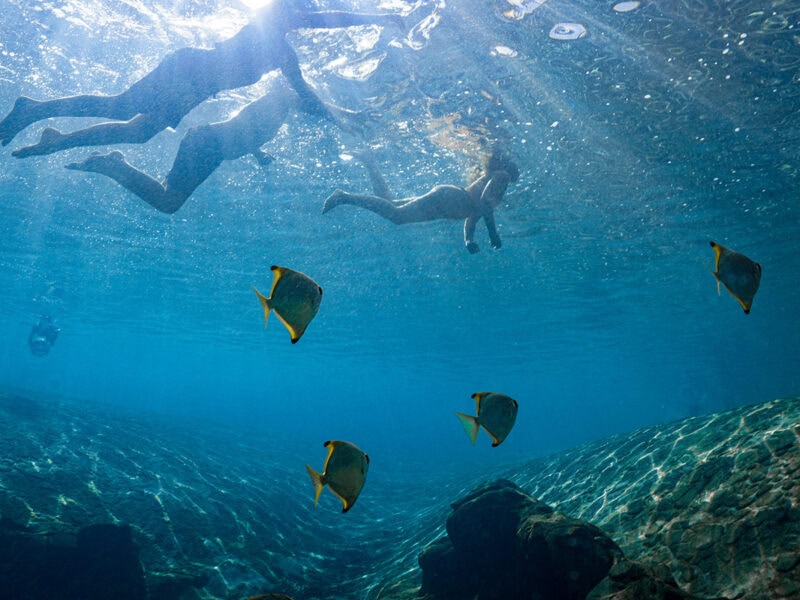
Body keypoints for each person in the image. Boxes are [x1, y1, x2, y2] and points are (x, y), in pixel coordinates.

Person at [0, 2, 404, 157]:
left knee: (138, 132)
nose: (305, 19)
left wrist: (343, 120)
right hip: (187, 71)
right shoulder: (269, 20)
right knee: (121, 105)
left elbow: (307, 96)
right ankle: (32, 111)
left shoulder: (284, 53)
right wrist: (381, 17)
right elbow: (323, 19)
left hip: (193, 86)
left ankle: (51, 133)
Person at [65, 76, 297, 213]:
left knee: (168, 196)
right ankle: (113, 166)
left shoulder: (275, 108)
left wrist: (257, 153)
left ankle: (117, 165)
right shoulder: (272, 104)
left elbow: (242, 130)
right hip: (208, 146)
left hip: (207, 146)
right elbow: (242, 126)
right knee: (168, 202)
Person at [323, 148, 520, 253]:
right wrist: (493, 234)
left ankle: (369, 162)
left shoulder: (499, 182)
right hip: (451, 200)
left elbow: (473, 216)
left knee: (388, 204)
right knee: (397, 216)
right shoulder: (502, 176)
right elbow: (485, 204)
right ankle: (344, 197)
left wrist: (469, 239)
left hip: (449, 202)